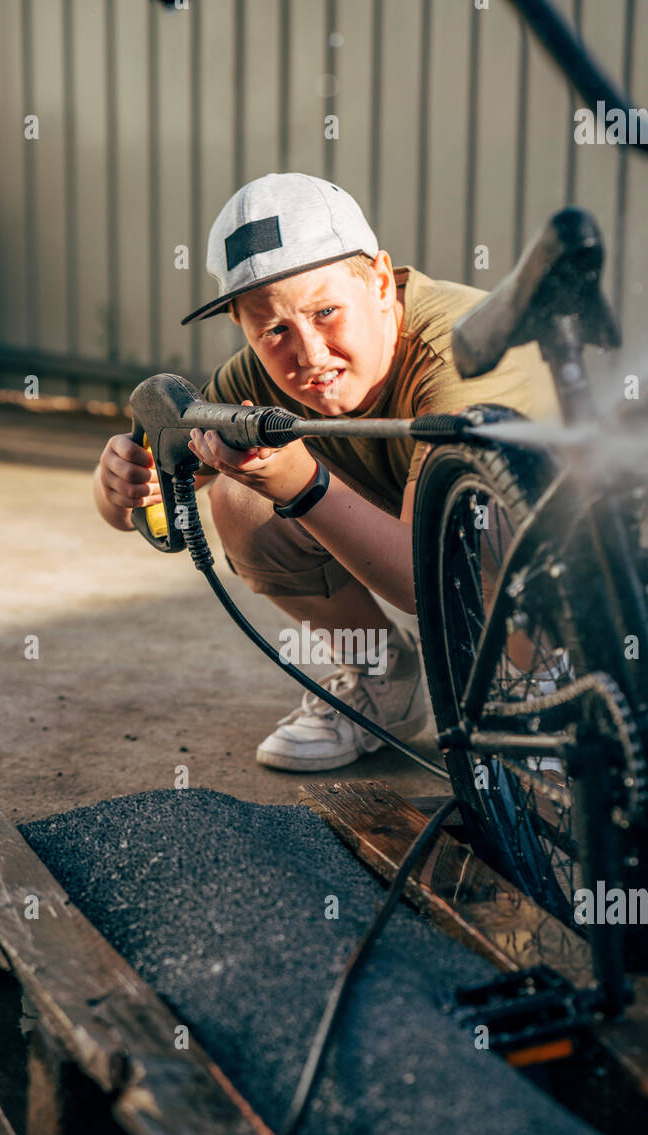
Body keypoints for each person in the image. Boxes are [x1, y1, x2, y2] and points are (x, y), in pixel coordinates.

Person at [93, 172, 557, 772]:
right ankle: (384, 678)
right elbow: (152, 496)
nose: (308, 355)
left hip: (565, 547)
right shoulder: (257, 375)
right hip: (417, 522)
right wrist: (120, 488)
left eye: (327, 311)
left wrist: (302, 485)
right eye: (275, 330)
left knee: (484, 521)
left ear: (382, 281)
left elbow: (432, 584)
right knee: (241, 501)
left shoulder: (464, 356)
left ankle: (537, 683)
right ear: (242, 326)